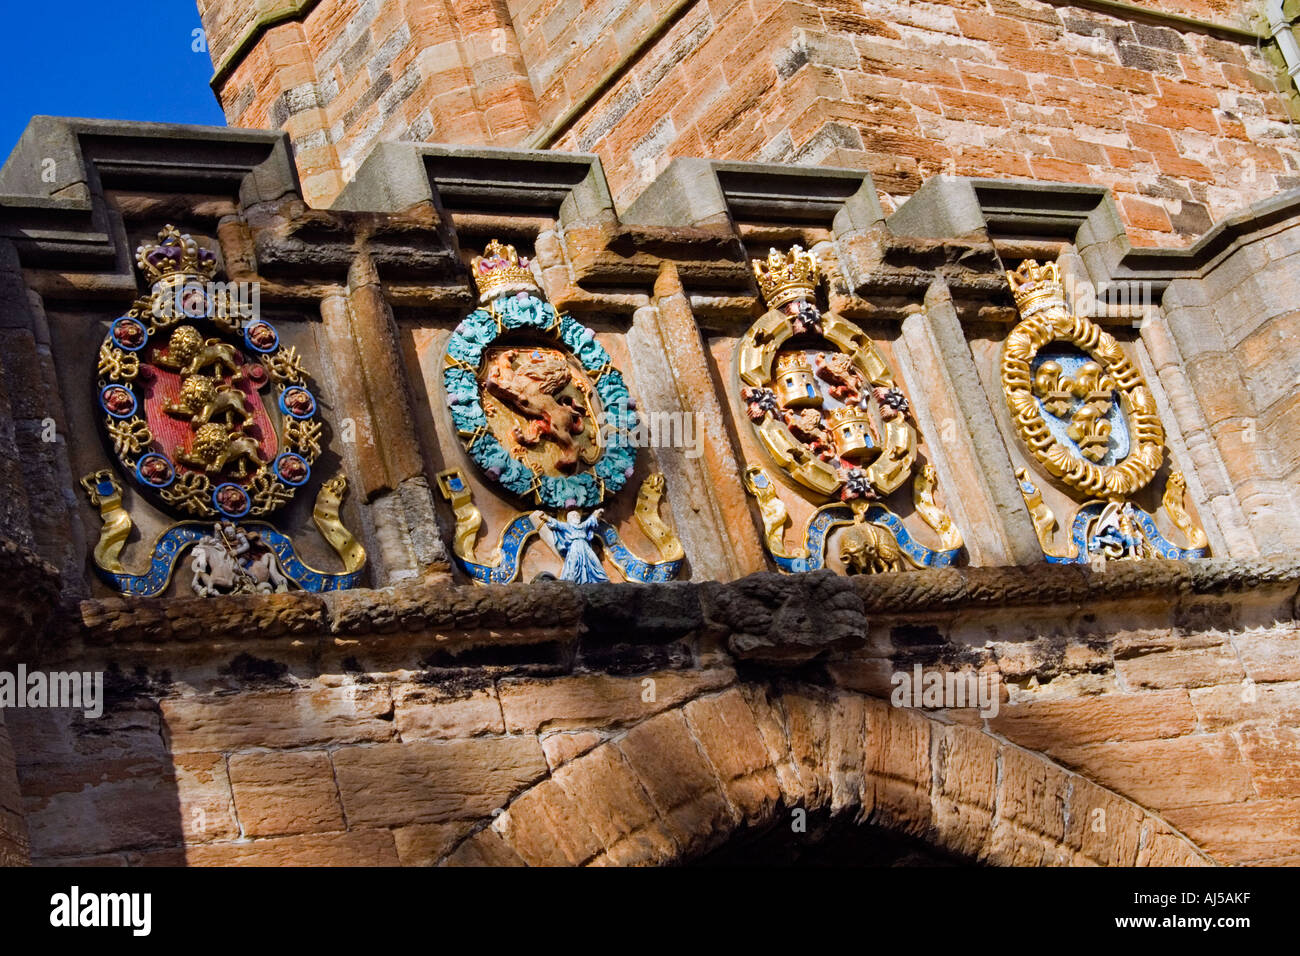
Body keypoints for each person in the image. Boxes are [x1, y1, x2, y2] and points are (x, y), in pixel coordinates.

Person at [532, 508, 608, 583]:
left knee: (594, 560)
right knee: (573, 563)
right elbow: (557, 524)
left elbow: (589, 521)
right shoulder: (567, 526)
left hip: (585, 547)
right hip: (575, 547)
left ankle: (601, 578)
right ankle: (572, 579)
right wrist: (547, 517)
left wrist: (596, 513)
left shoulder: (582, 526)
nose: (576, 517)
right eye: (573, 516)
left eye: (577, 515)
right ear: (569, 519)